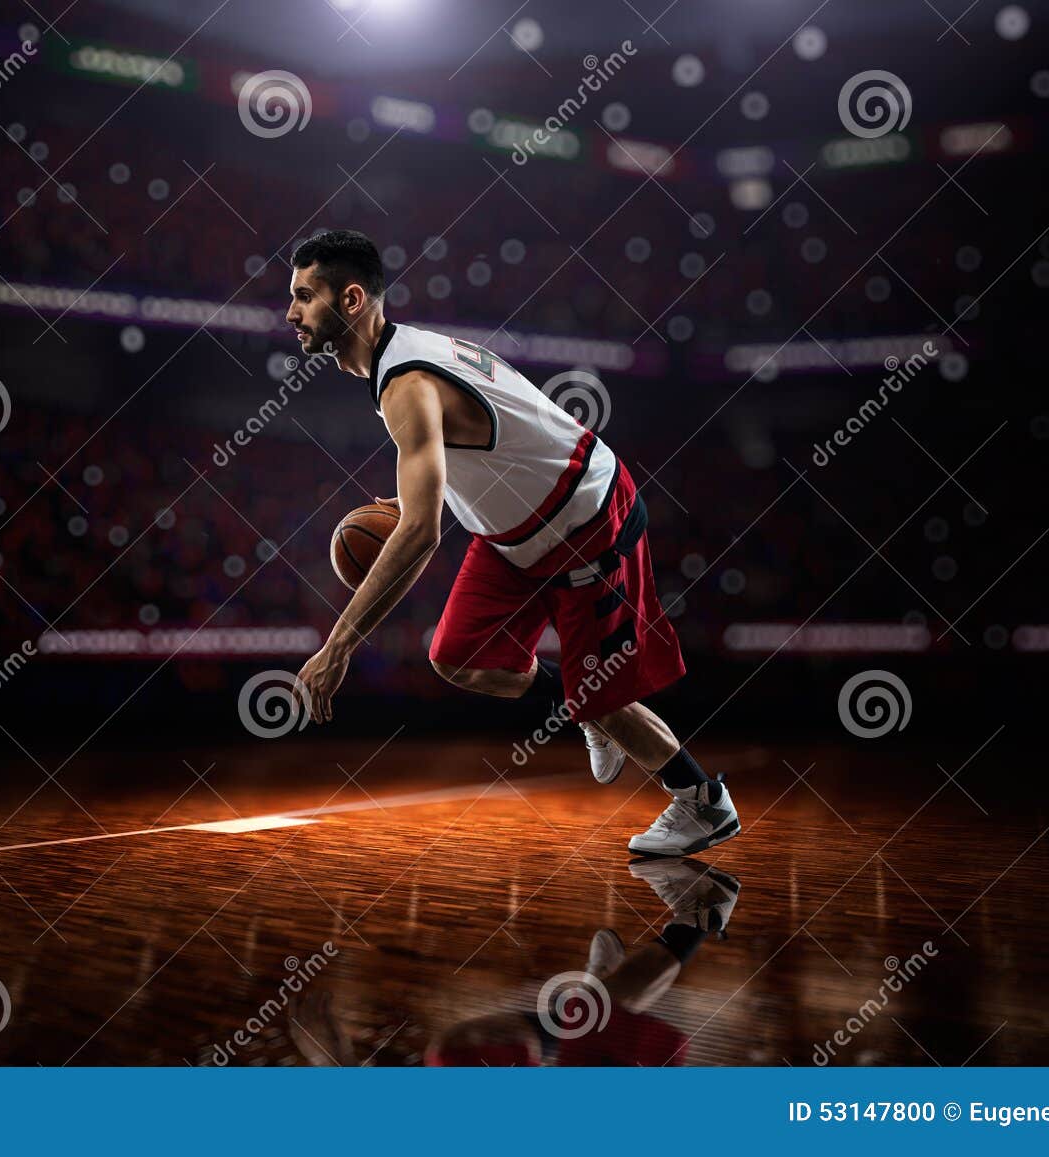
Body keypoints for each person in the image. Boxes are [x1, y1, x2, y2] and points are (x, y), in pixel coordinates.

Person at [287, 229, 737, 857]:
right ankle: (585, 707)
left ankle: (702, 801)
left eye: (305, 297)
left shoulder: (405, 385)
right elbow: (475, 453)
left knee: (600, 696)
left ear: (353, 300)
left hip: (583, 518)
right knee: (457, 655)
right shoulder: (404, 355)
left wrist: (340, 645)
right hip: (513, 531)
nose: (292, 313)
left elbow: (419, 531)